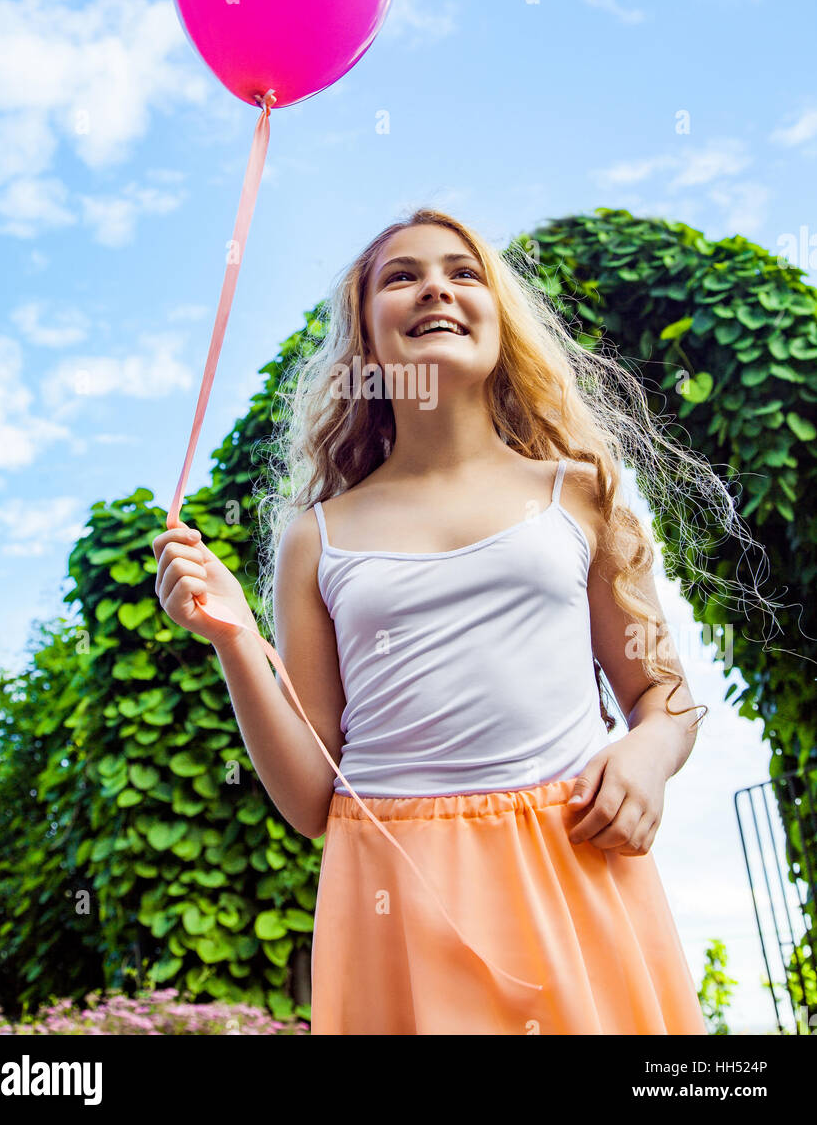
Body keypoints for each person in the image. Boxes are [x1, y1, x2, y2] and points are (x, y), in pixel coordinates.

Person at [152, 207, 763, 1035]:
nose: (434, 284)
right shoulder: (316, 538)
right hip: (394, 889)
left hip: (572, 865)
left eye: (463, 271)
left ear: (500, 320)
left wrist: (650, 754)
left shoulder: (582, 494)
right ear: (366, 342)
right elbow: (308, 795)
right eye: (401, 276)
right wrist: (232, 638)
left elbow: (667, 698)